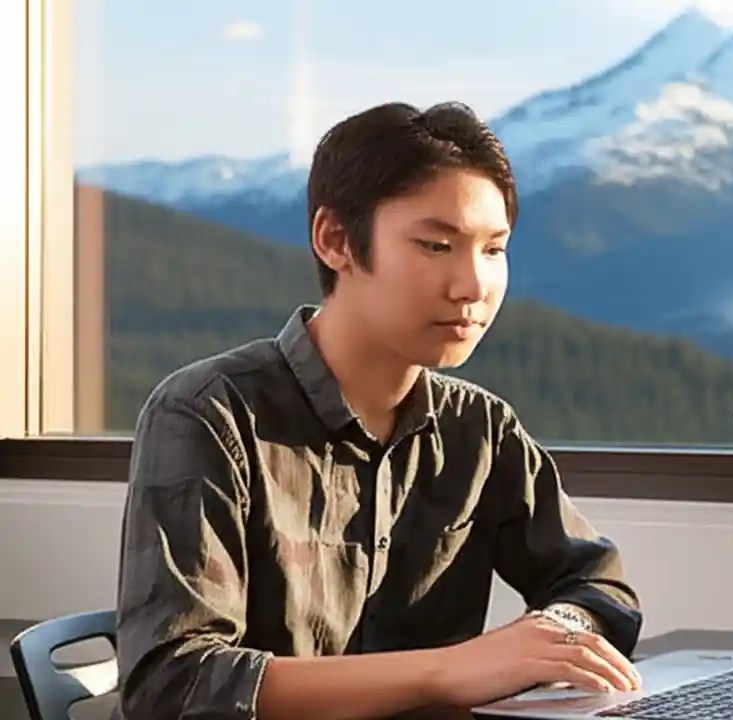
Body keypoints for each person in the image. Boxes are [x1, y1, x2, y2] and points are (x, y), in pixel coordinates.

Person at [112, 101, 643, 720]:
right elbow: (172, 684)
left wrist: (553, 634)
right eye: (437, 245)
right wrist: (453, 670)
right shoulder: (208, 416)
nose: (473, 286)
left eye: (494, 249)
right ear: (335, 241)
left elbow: (598, 584)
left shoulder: (480, 430)